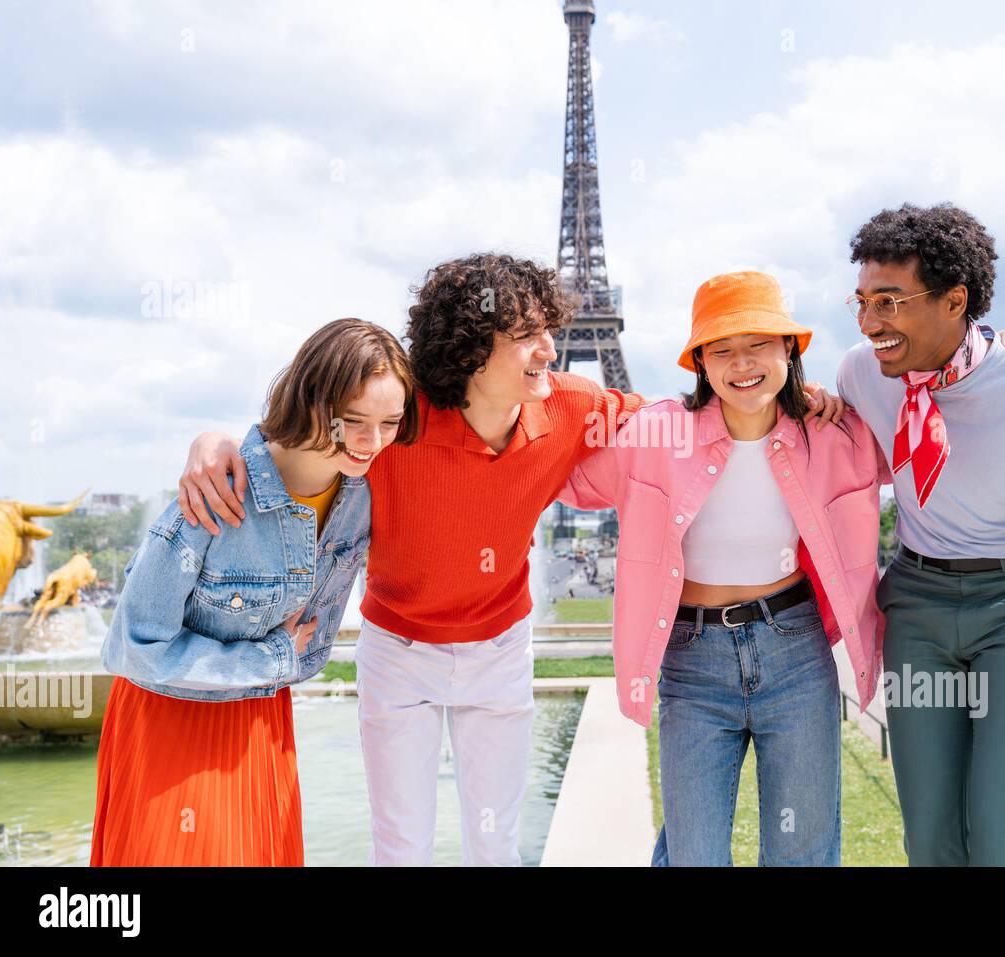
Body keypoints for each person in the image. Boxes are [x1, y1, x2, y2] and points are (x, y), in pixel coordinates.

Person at [176, 253, 844, 866]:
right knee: (400, 841)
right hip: (399, 646)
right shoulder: (400, 419)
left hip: (498, 647)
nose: (549, 349)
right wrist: (212, 441)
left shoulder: (571, 404)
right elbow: (306, 430)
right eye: (528, 335)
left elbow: (679, 419)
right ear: (471, 346)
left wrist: (786, 400)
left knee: (494, 841)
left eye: (549, 331)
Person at [558, 271, 887, 866]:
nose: (742, 364)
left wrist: (991, 343)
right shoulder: (654, 436)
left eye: (758, 345)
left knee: (802, 851)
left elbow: (923, 440)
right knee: (694, 854)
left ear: (789, 349)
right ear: (701, 363)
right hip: (694, 658)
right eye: (723, 350)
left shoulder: (832, 433)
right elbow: (564, 476)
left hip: (795, 652)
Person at [835, 202, 1005, 866]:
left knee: (1001, 838)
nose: (870, 322)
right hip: (918, 610)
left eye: (889, 302)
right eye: (861, 302)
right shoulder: (860, 373)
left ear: (955, 299)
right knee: (930, 839)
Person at [91, 318, 417, 866]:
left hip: (261, 721)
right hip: (170, 721)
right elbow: (130, 646)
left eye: (390, 423)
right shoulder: (217, 489)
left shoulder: (362, 497)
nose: (372, 442)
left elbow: (307, 651)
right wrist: (269, 658)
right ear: (313, 401)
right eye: (353, 421)